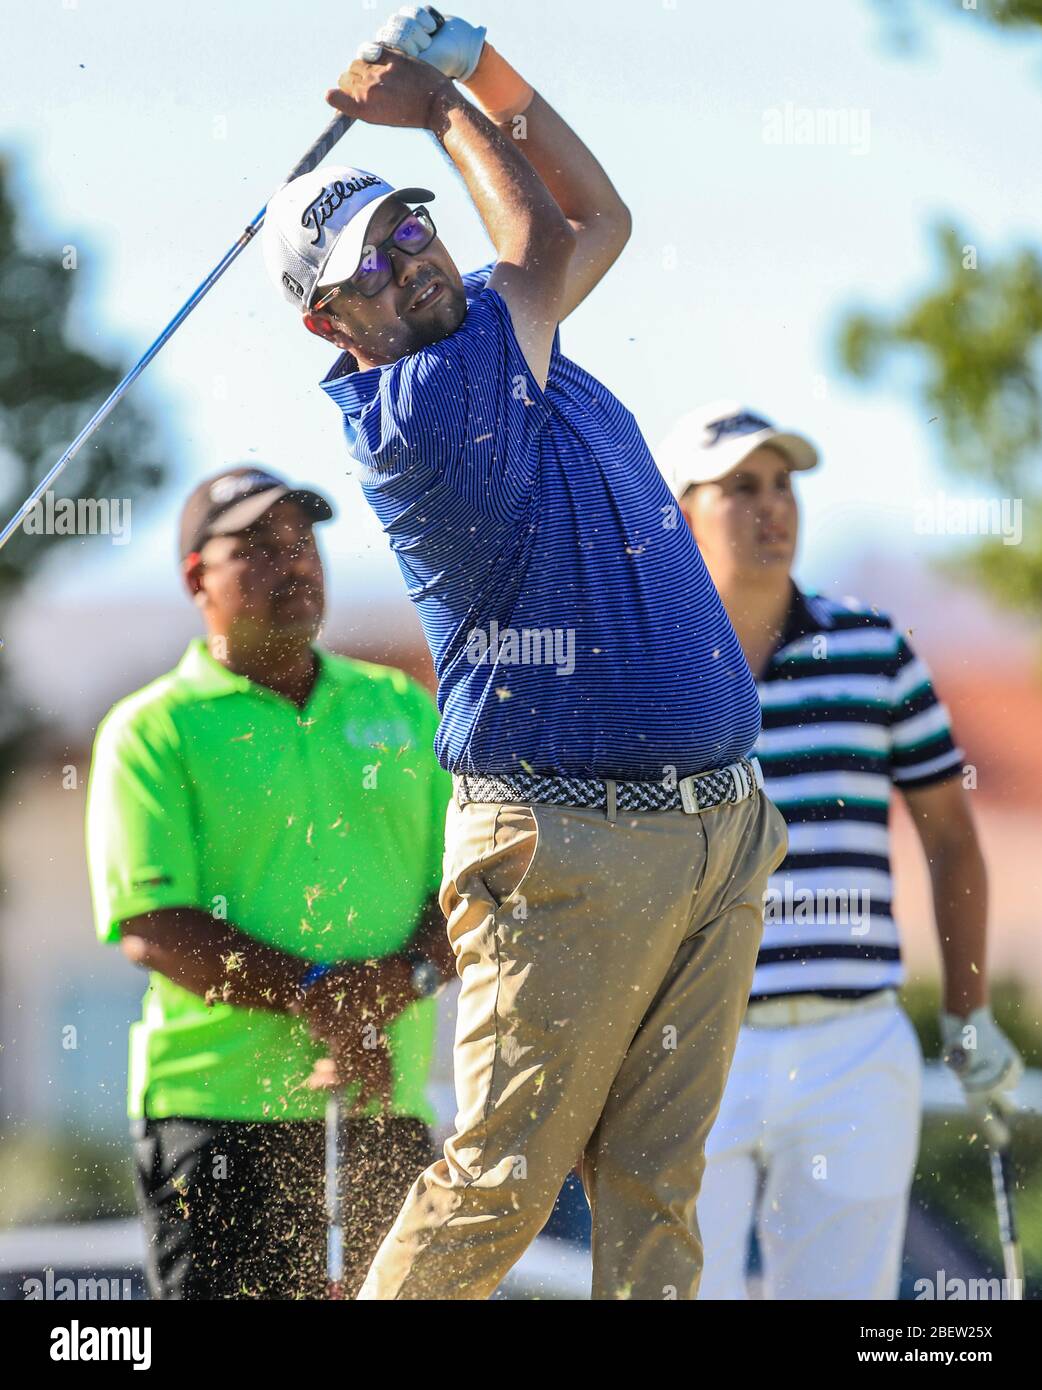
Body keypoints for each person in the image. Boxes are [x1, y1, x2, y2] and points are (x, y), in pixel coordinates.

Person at [260, 9, 788, 1301]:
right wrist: (442, 106)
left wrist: (481, 66)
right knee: (498, 1180)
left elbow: (596, 219)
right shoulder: (423, 412)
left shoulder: (506, 340)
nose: (409, 259)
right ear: (332, 322)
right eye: (371, 263)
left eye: (409, 224)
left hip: (712, 829)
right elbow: (543, 232)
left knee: (659, 1187)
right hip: (564, 852)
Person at [658, 400, 1023, 1300]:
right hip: (695, 1046)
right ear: (681, 510)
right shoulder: (648, 665)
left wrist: (967, 1014)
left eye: (784, 486)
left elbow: (952, 841)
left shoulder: (875, 648)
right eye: (740, 486)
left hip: (854, 1048)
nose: (771, 507)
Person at [85, 466, 454, 1299]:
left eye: (300, 541)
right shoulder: (152, 731)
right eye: (255, 547)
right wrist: (322, 994)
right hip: (215, 1118)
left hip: (380, 1108)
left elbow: (469, 893)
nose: (292, 563)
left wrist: (403, 980)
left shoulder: (403, 708)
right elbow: (156, 925)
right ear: (195, 579)